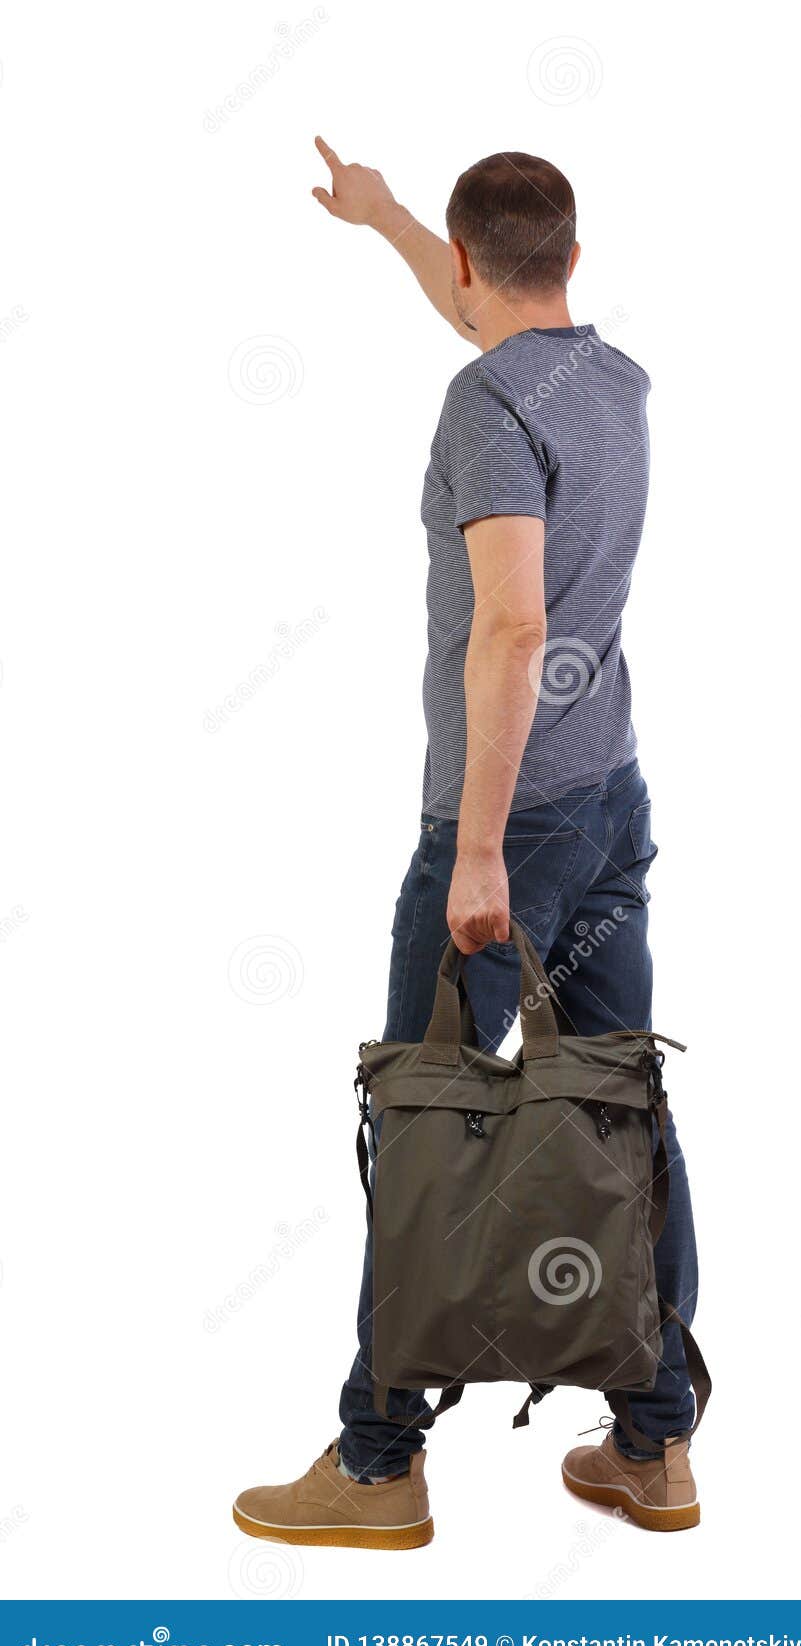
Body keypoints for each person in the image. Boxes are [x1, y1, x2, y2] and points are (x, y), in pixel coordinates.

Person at [232, 143, 701, 1547]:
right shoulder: (602, 378)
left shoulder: (483, 403)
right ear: (571, 254)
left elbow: (511, 626)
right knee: (622, 1113)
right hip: (612, 793)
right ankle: (655, 1442)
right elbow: (495, 327)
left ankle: (377, 1463)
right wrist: (384, 220)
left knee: (424, 1117)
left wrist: (483, 848)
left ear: (467, 261)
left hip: (510, 826)